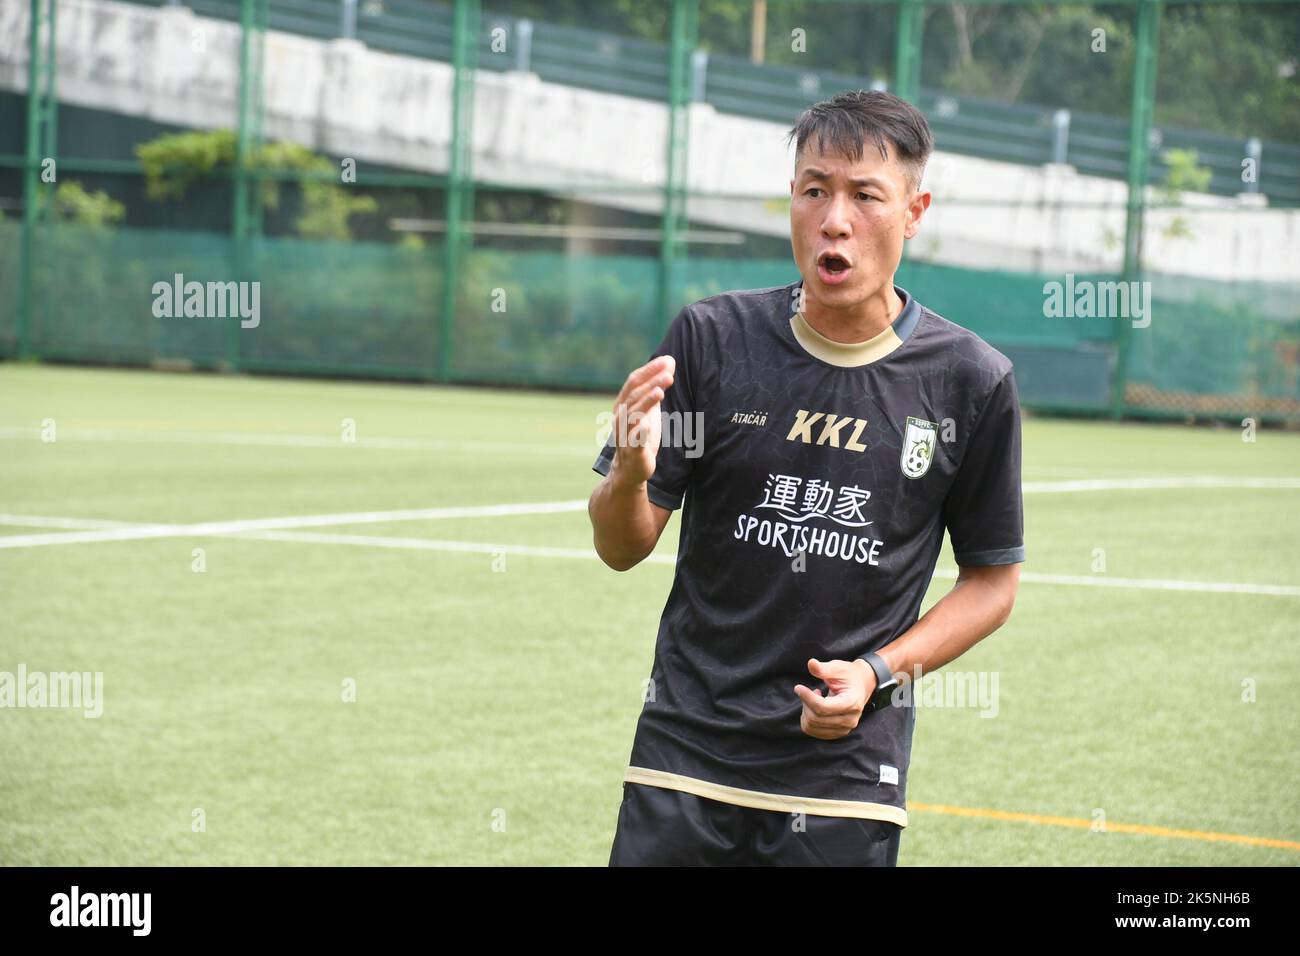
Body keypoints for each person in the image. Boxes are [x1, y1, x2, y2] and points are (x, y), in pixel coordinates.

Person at [587, 89, 1024, 866]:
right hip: (683, 753)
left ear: (914, 211)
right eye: (815, 189)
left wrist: (876, 674)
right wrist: (627, 473)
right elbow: (623, 549)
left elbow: (992, 584)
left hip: (843, 776)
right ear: (791, 198)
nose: (835, 219)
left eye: (865, 196)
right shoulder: (710, 339)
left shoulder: (970, 380)